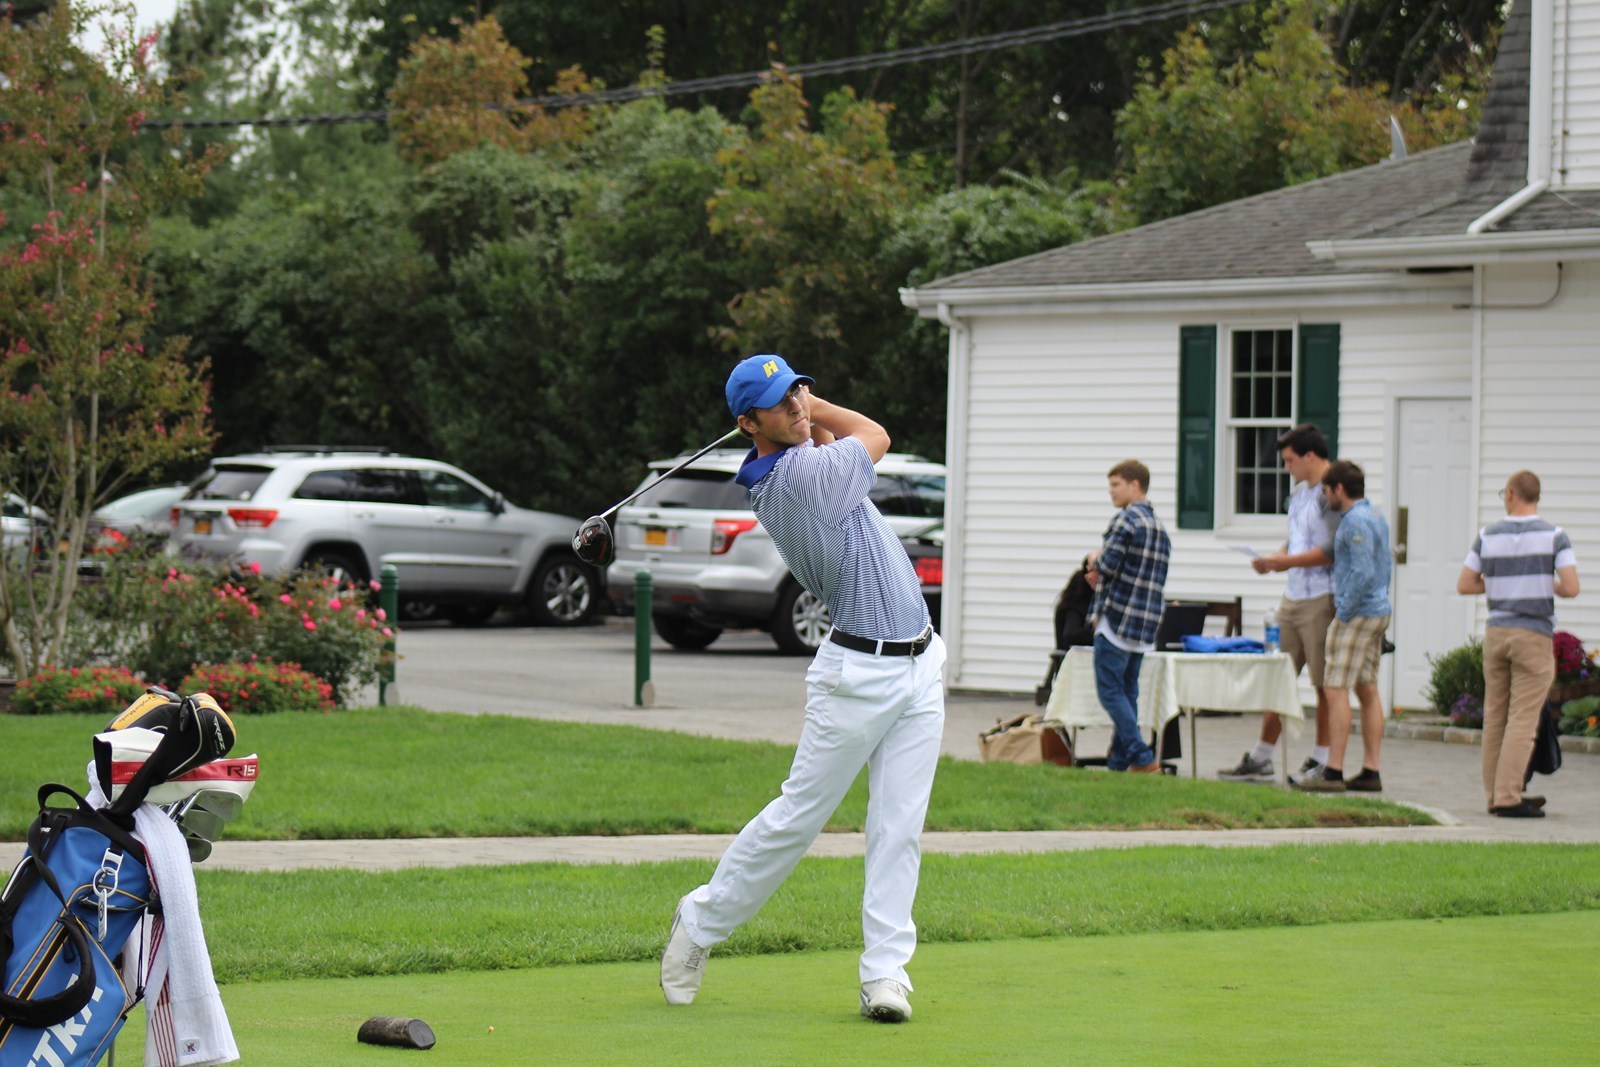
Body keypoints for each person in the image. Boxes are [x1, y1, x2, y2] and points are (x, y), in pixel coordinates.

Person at [659, 354, 945, 1024]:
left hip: (921, 662)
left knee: (899, 825)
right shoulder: (799, 476)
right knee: (798, 818)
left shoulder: (798, 453)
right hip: (856, 674)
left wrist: (802, 408)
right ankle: (699, 920)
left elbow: (828, 435)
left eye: (797, 389)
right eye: (779, 400)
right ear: (747, 422)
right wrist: (820, 405)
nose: (796, 404)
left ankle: (885, 974)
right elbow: (875, 433)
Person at [1220, 424, 1339, 784]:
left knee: (1322, 682)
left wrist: (1285, 562)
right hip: (1293, 594)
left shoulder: (1332, 491)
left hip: (1322, 595)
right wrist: (1274, 558)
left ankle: (1321, 758)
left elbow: (1332, 550)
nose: (1287, 468)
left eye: (1290, 460)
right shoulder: (1300, 494)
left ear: (1310, 456)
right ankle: (1261, 757)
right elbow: (1297, 541)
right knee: (1279, 675)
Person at [1457, 470, 1580, 818]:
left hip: (1496, 633)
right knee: (1523, 719)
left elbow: (1465, 584)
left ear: (1511, 494)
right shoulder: (1554, 536)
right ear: (1535, 497)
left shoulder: (1487, 535)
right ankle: (1509, 796)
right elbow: (1570, 587)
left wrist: (1499, 584)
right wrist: (1546, 585)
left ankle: (1492, 795)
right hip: (1533, 634)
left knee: (1495, 715)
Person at [1295, 461, 1390, 793]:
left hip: (1358, 613)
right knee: (1367, 688)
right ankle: (1371, 770)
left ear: (1338, 489)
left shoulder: (1355, 523)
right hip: (1378, 610)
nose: (1323, 495)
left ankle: (1332, 770)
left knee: (1335, 688)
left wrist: (1344, 611)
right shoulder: (1376, 515)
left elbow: (1362, 572)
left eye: (1325, 489)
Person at [1086, 460, 1171, 773]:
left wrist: (1094, 558)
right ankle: (1119, 762)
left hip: (1118, 617)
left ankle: (1141, 755)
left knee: (1110, 690)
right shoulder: (1159, 528)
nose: (1111, 492)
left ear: (1135, 485)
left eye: (1116, 485)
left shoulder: (1126, 521)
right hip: (1145, 622)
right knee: (1128, 692)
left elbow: (1106, 565)